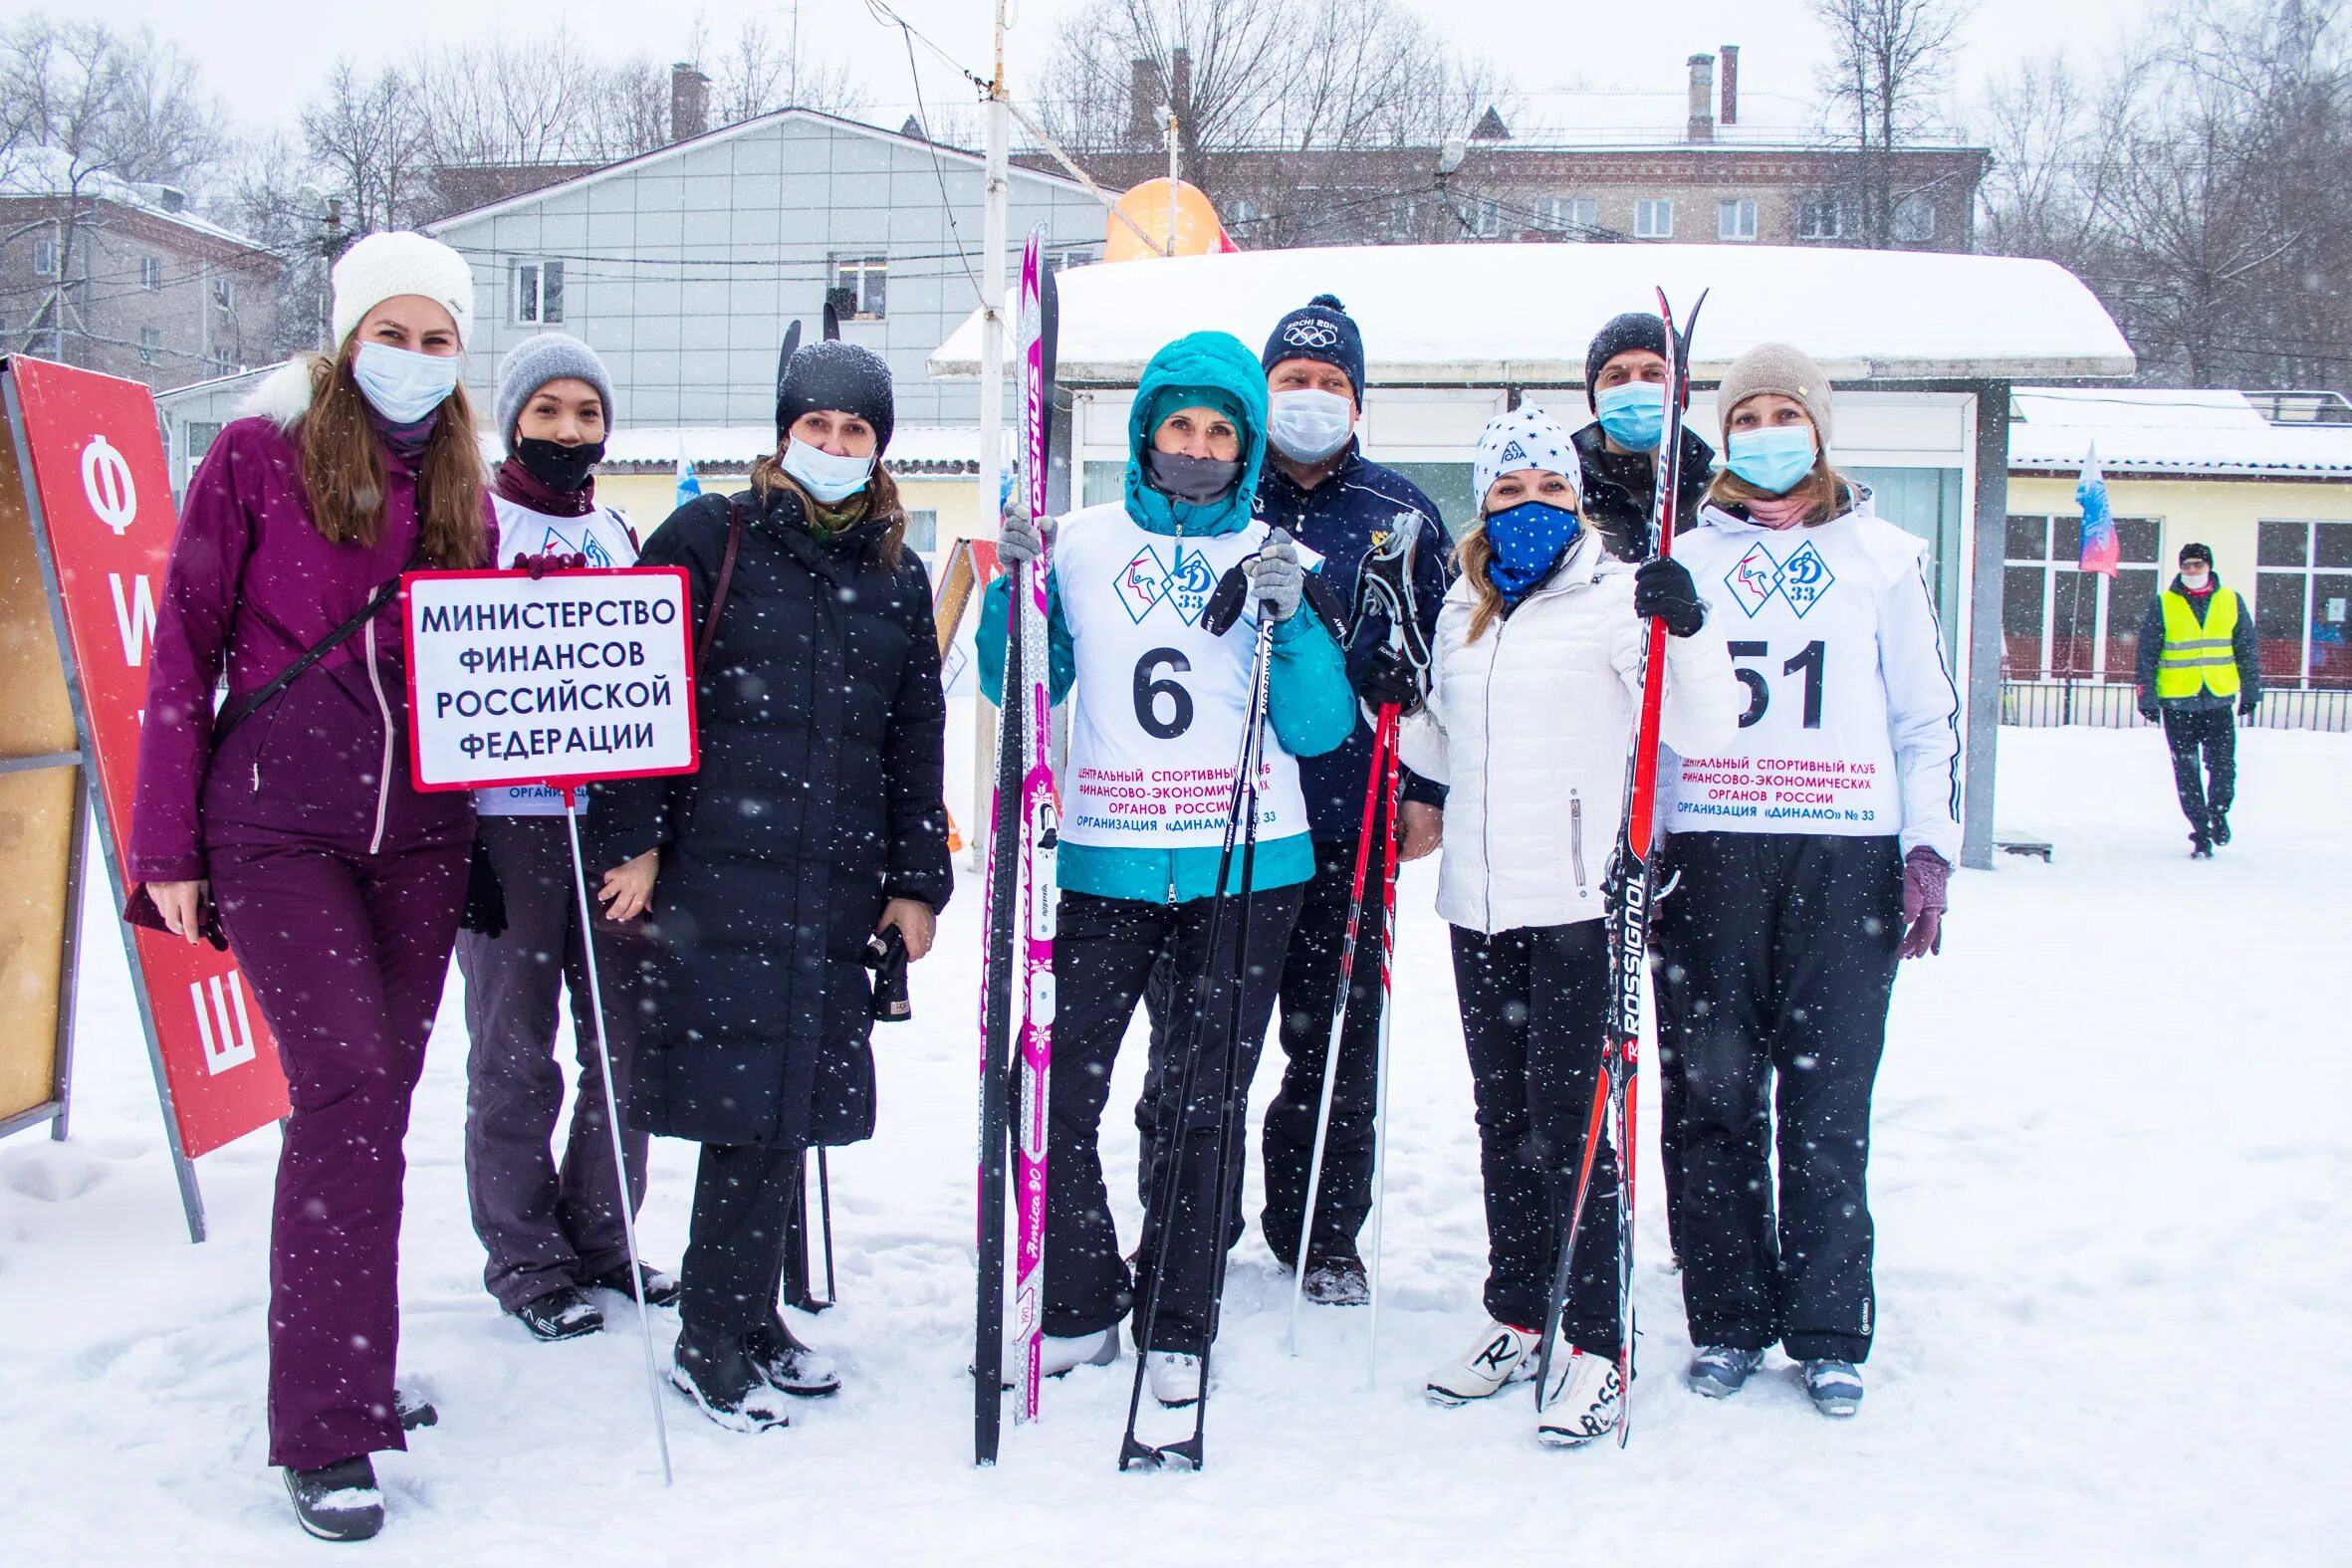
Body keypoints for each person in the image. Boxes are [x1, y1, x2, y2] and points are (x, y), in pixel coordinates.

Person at [127, 231, 492, 1541]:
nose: (413, 359)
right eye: (393, 333)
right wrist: (163, 841)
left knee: (377, 1101)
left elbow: (489, 665)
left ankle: (357, 1363)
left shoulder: (467, 482)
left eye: (438, 339)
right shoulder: (255, 456)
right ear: (347, 338)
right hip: (278, 830)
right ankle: (324, 1422)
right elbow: (184, 638)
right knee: (340, 1082)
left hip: (422, 838)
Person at [983, 330, 1355, 1408]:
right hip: (1107, 861)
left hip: (1247, 864)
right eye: (1178, 426)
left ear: (1243, 446)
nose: (1196, 446)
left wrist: (1293, 627)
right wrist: (1015, 589)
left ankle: (1179, 1312)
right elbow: (1024, 688)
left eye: (1218, 430)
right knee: (1051, 1090)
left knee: (1200, 1103)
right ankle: (1081, 1293)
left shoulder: (1282, 552)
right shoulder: (1078, 543)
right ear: (1147, 433)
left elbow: (1321, 728)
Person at [597, 338, 951, 1432]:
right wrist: (637, 837)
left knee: (790, 1100)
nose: (834, 448)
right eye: (817, 429)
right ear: (784, 433)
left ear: (878, 449)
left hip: (834, 879)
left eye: (855, 433)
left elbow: (913, 733)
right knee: (739, 1108)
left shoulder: (893, 570)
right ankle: (711, 1335)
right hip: (722, 871)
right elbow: (637, 688)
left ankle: (751, 1317)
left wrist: (915, 880)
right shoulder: (713, 537)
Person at [1402, 407, 1738, 1446]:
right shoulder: (1467, 602)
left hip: (1582, 907)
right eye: (1509, 491)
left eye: (1549, 489)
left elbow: (1705, 721)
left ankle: (1596, 1336)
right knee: (1500, 1123)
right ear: (1484, 503)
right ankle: (1517, 1310)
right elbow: (1451, 750)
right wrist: (1401, 700)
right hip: (1479, 905)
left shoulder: (1615, 597)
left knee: (1576, 1133)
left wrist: (1685, 629)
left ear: (1576, 498)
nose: (1531, 507)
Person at [1650, 342, 1961, 1420]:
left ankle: (1828, 1324)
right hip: (1715, 851)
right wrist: (1643, 846)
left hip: (1841, 858)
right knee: (1715, 1101)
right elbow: (1652, 733)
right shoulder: (1681, 554)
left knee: (1827, 1103)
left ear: (1820, 431)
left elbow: (1925, 719)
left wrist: (1927, 848)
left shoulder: (1881, 556)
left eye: (1787, 413)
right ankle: (1728, 1318)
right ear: (1723, 434)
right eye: (1747, 415)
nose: (1766, 432)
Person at [1132, 295, 1450, 1305]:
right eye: (1291, 382)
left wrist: (1427, 786)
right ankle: (1193, 1218)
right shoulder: (1220, 497)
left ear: (1357, 402)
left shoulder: (1400, 516)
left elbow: (1445, 665)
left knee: (1336, 1032)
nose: (1309, 398)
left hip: (1352, 815)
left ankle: (1318, 1228)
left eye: (1330, 384)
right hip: (1227, 818)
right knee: (1205, 1033)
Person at [456, 333, 681, 1342]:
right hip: (504, 829)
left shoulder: (621, 534)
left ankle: (604, 1235)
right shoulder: (468, 524)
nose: (567, 432)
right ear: (512, 419)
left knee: (627, 1051)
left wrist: (650, 835)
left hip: (607, 831)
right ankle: (525, 1254)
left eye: (585, 415)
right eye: (547, 412)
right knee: (513, 1051)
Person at [2135, 541, 2260, 857]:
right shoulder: (2163, 603)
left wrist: (2251, 690)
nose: (2192, 571)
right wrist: (2147, 696)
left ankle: (2218, 811)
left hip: (2218, 699)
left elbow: (2247, 647)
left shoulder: (2230, 600)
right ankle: (2200, 829)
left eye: (2198, 565)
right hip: (2177, 701)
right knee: (2186, 770)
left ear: (2209, 567)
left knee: (2222, 766)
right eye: (2187, 565)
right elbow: (2147, 653)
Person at [1572, 310, 1717, 560]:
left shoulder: (1715, 499)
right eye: (1616, 376)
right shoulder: (1564, 492)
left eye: (1654, 374)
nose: (1635, 386)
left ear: (1680, 395)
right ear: (1595, 400)